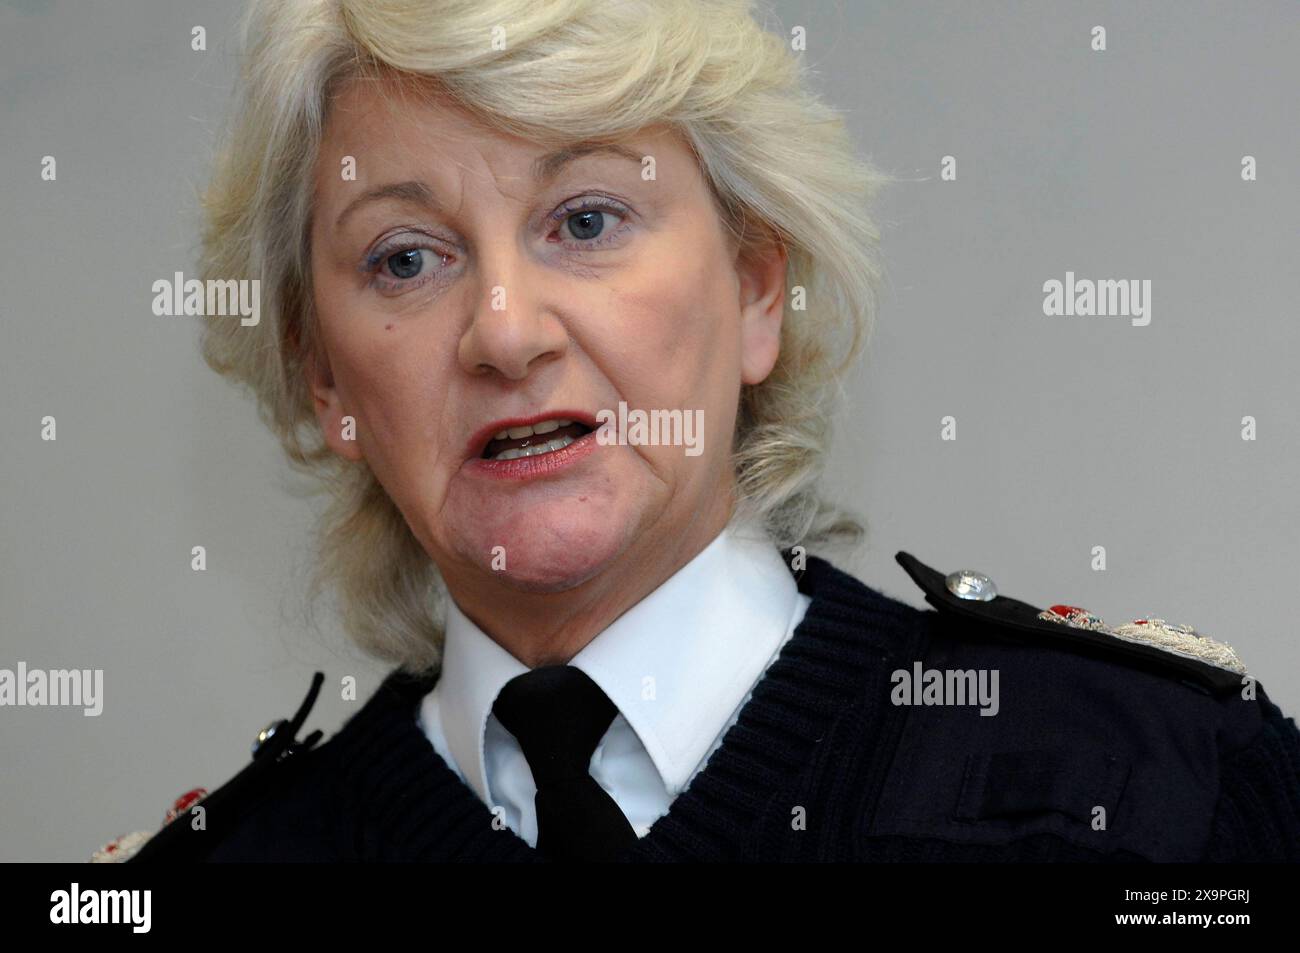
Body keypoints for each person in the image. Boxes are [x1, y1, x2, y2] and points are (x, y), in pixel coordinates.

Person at [93, 0, 1300, 863]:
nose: (505, 332)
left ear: (757, 288)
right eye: (406, 257)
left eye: (586, 219)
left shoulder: (1153, 785)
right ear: (325, 383)